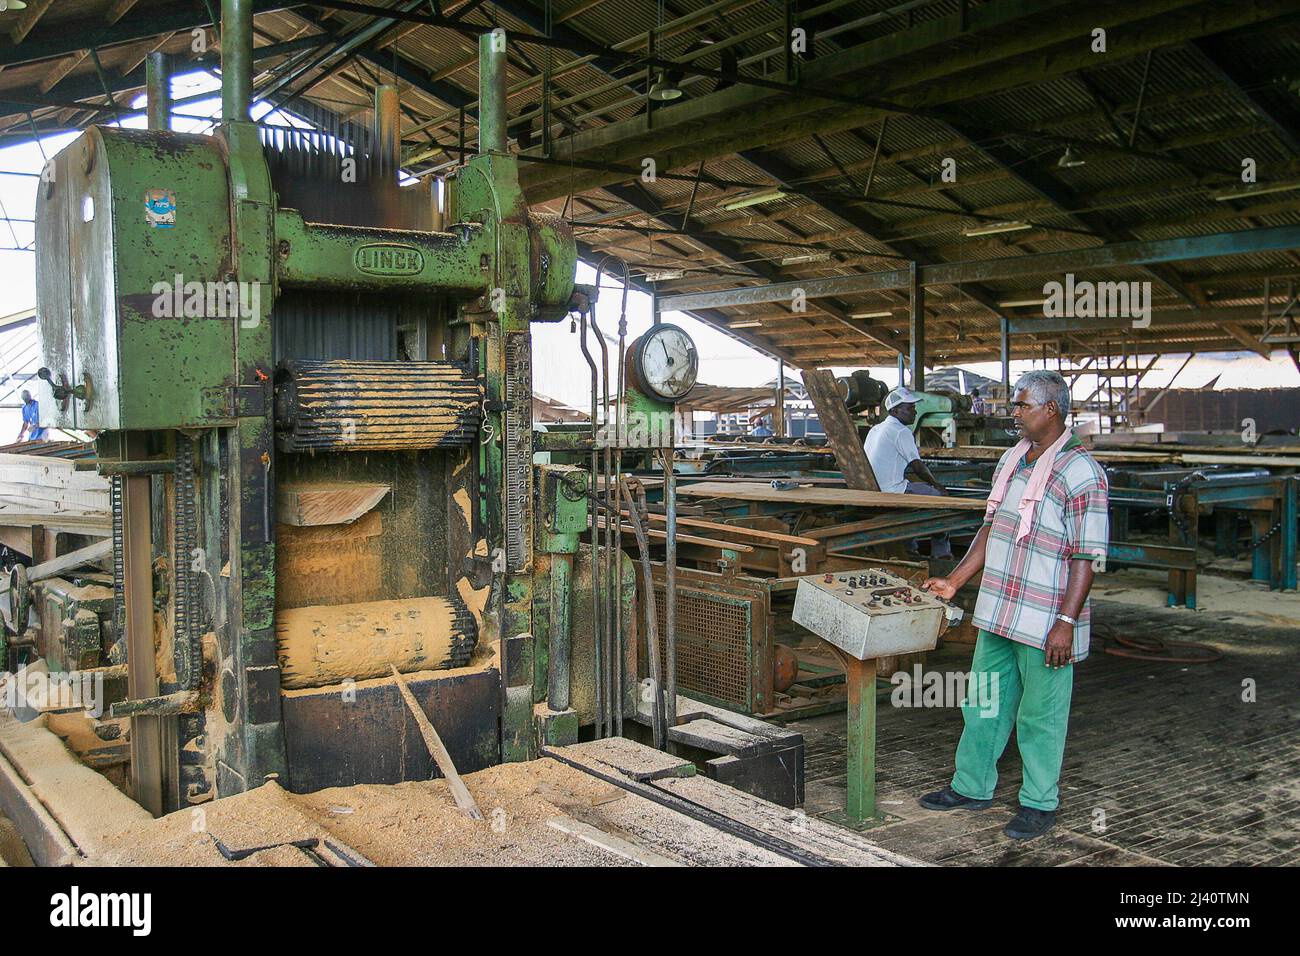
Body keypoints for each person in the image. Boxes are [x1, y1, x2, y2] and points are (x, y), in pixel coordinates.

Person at [918, 370, 1108, 841]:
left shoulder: (1082, 471)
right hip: (1000, 607)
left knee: (1040, 716)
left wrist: (1066, 622)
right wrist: (955, 581)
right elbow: (993, 528)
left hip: (1046, 619)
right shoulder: (1013, 459)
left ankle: (1039, 803)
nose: (1014, 412)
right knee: (982, 702)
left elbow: (1087, 556)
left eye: (1022, 405)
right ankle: (972, 786)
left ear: (1052, 410)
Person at [864, 386, 951, 559]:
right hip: (894, 490)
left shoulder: (876, 429)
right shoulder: (901, 431)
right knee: (942, 502)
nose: (914, 411)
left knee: (913, 508)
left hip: (873, 488)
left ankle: (910, 549)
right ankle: (943, 555)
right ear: (895, 410)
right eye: (909, 408)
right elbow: (918, 467)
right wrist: (938, 486)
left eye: (914, 407)